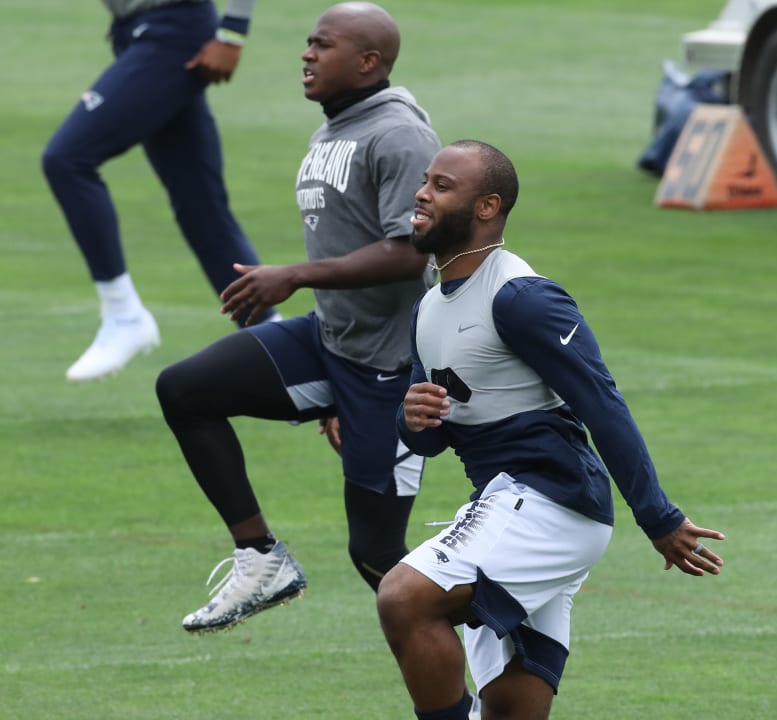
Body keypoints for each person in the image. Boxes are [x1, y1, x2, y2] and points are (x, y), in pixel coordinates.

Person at [375, 140, 726, 720]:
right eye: (424, 181)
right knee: (512, 706)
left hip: (551, 502)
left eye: (441, 185)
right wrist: (410, 418)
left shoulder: (521, 297)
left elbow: (601, 403)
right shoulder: (428, 308)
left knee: (405, 599)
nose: (421, 193)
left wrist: (658, 516)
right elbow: (431, 436)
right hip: (505, 501)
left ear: (487, 206)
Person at [154, 1, 441, 634]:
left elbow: (411, 252)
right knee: (185, 388)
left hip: (390, 373)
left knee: (378, 559)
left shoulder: (398, 134)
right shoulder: (334, 129)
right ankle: (261, 558)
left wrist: (294, 275)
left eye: (322, 45)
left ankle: (497, 654)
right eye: (308, 43)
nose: (306, 55)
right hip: (332, 342)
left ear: (368, 62)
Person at [44, 0, 280, 383]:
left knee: (67, 159)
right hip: (138, 31)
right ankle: (275, 348)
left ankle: (123, 314)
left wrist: (233, 31)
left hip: (172, 31)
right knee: (202, 210)